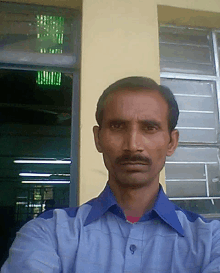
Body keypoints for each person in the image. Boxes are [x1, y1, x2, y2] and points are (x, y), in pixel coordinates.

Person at [1, 76, 220, 273]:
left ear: (171, 142)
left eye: (149, 128)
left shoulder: (211, 241)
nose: (133, 145)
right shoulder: (49, 234)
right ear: (98, 138)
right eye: (117, 126)